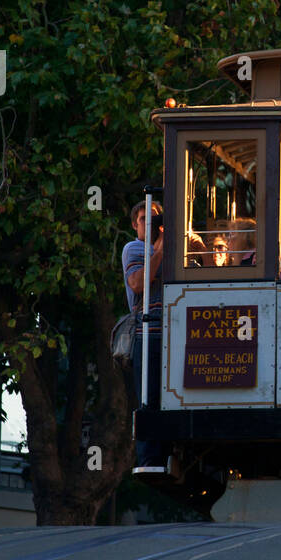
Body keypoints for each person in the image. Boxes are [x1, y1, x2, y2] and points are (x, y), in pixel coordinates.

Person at [122, 200, 166, 468]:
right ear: (134, 225)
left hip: (175, 331)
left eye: (155, 219)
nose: (148, 225)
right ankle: (149, 459)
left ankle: (167, 454)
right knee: (148, 397)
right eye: (143, 220)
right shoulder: (134, 248)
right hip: (148, 332)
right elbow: (138, 283)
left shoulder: (173, 248)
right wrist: (163, 245)